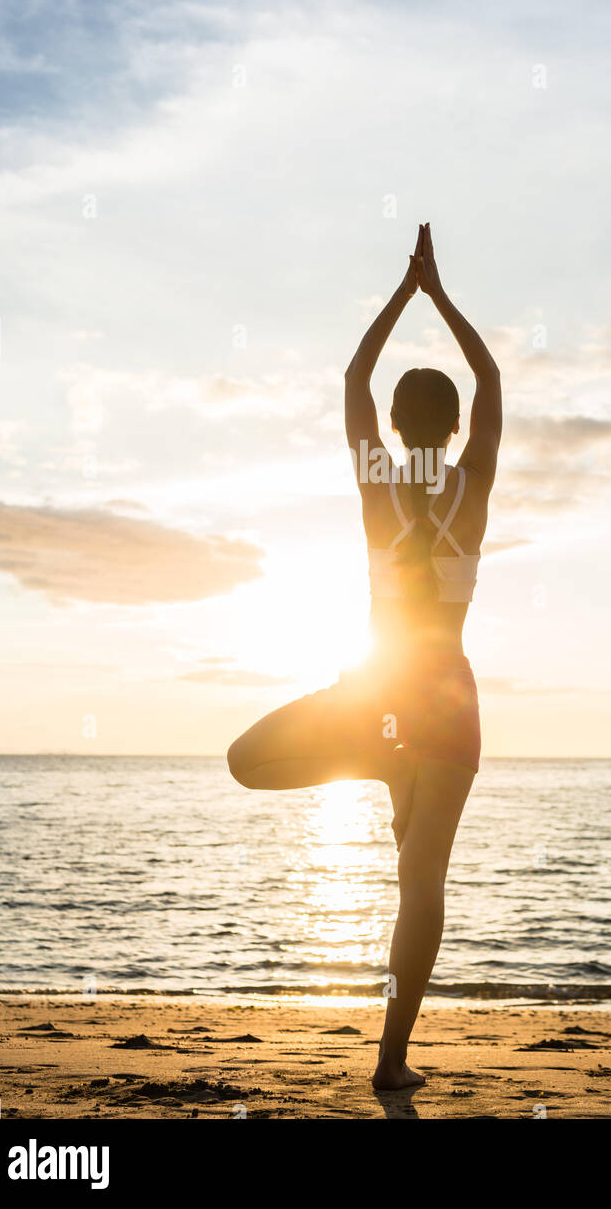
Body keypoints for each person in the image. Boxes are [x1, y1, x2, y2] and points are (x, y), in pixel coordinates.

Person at [228, 222, 502, 1090]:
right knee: (420, 879)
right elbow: (491, 377)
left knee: (246, 762)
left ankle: (367, 760)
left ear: (390, 423)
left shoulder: (376, 483)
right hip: (447, 699)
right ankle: (391, 1063)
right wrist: (441, 294)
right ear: (456, 425)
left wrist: (404, 290)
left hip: (375, 694)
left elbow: (353, 375)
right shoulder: (477, 478)